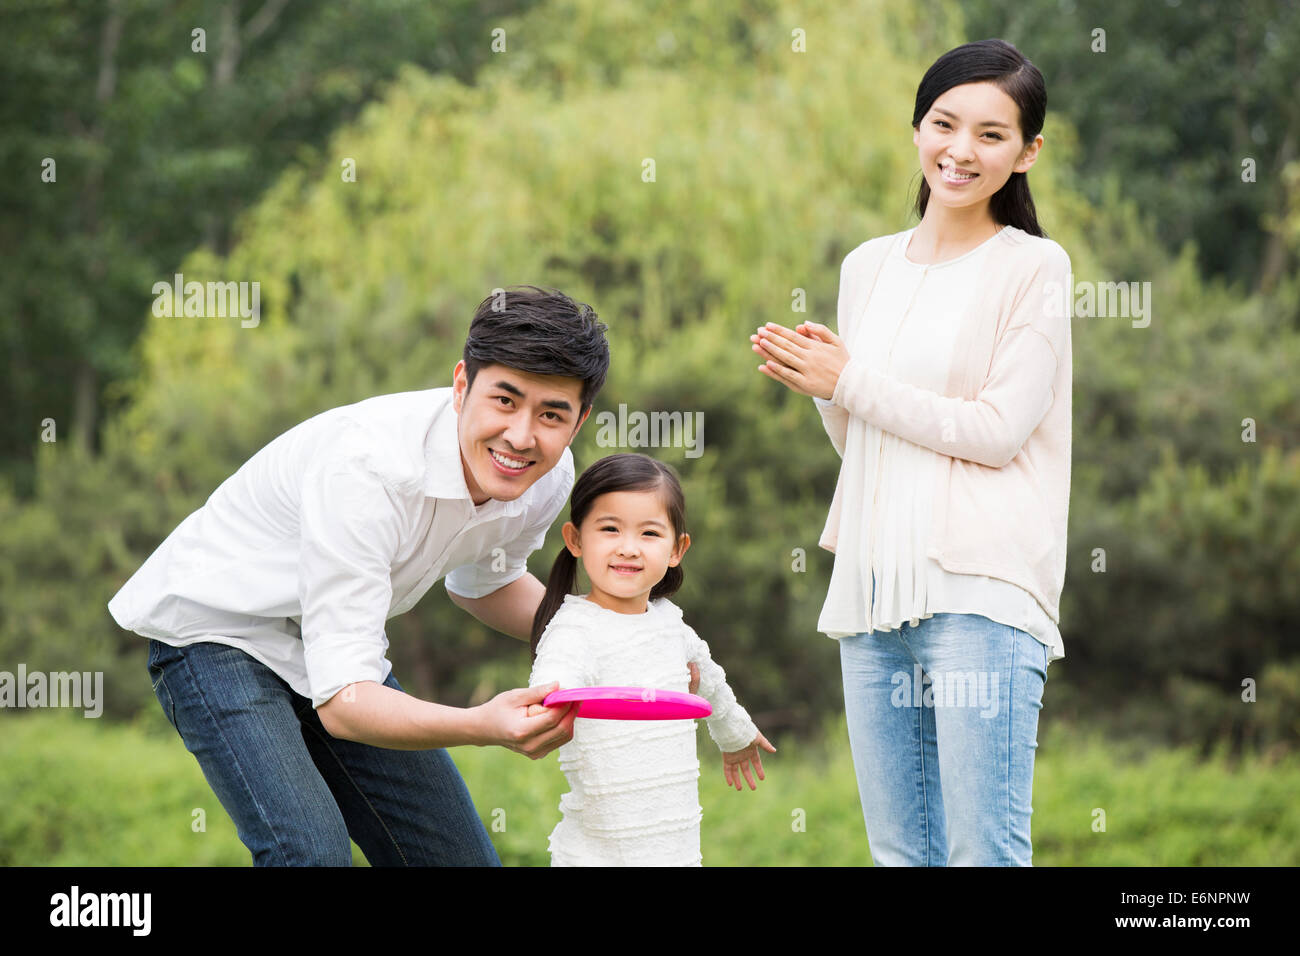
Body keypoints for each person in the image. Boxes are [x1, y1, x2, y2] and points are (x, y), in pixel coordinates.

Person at [109, 286, 615, 866]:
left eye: (551, 414)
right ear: (461, 385)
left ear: (578, 422)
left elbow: (489, 583)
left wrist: (605, 637)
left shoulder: (545, 478)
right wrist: (481, 724)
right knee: (313, 855)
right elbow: (345, 705)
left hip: (337, 654)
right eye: (505, 400)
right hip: (214, 633)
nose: (522, 436)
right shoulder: (368, 471)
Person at [751, 39, 1071, 866]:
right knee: (901, 854)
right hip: (870, 591)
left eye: (992, 135)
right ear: (917, 128)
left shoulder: (1033, 267)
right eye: (944, 123)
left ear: (1028, 151)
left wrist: (849, 378)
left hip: (980, 592)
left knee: (983, 852)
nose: (961, 151)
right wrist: (826, 386)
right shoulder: (868, 267)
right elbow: (864, 441)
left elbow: (998, 432)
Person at [526, 453, 775, 866]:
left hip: (672, 845)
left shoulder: (671, 625)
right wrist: (548, 704)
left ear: (677, 549)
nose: (628, 548)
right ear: (575, 540)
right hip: (598, 852)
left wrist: (735, 736)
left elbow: (710, 682)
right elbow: (551, 686)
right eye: (609, 529)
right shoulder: (575, 627)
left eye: (649, 534)